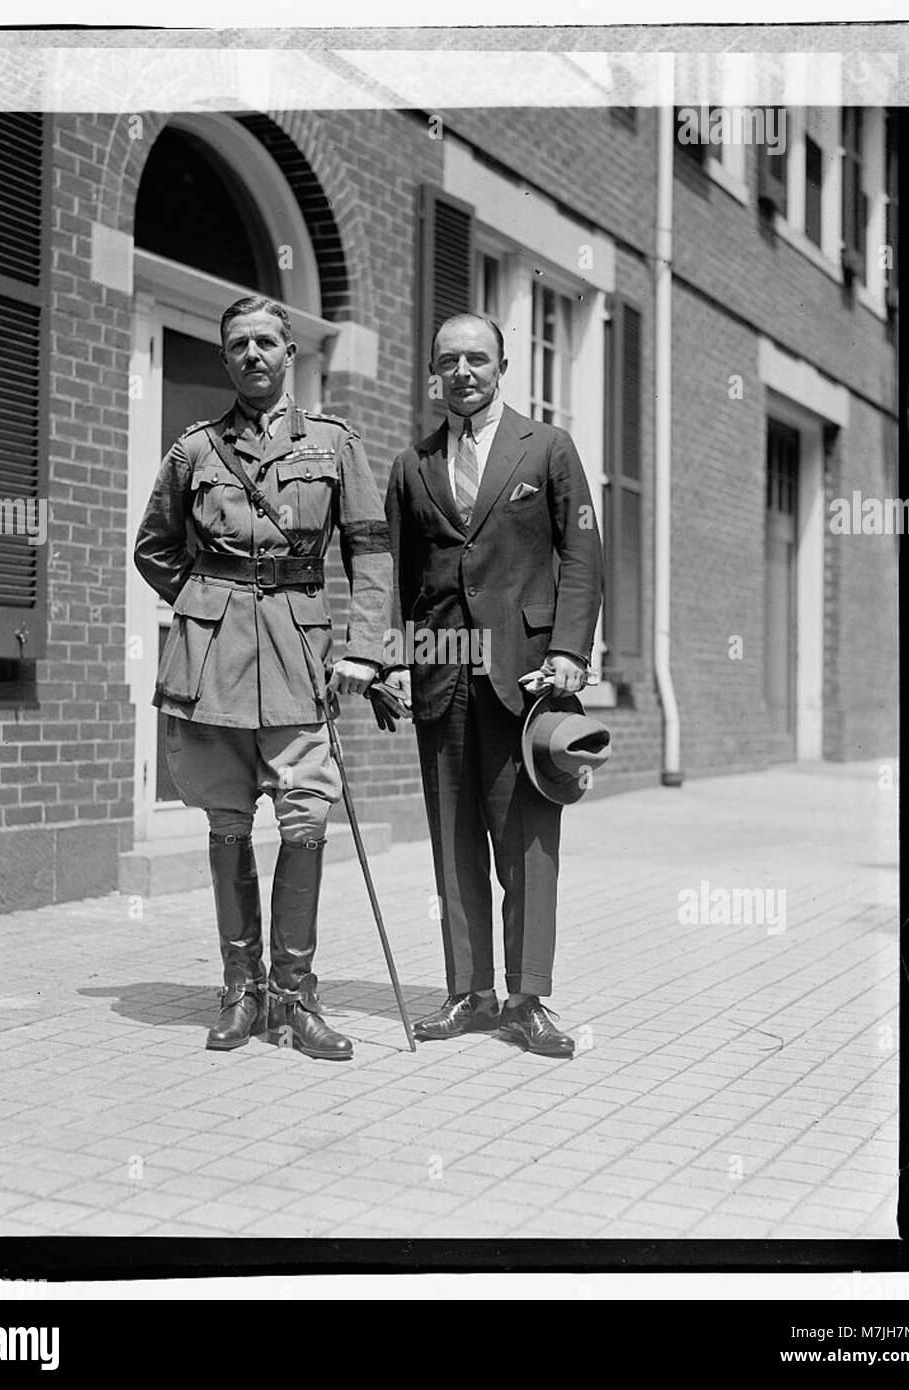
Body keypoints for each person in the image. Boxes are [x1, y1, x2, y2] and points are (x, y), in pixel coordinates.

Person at [134, 295, 391, 1061]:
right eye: (238, 344)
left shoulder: (336, 446)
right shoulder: (193, 451)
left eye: (266, 343)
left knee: (306, 814)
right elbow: (154, 547)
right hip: (210, 658)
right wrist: (204, 601)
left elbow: (370, 552)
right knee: (225, 819)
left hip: (298, 649)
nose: (252, 355)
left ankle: (295, 996)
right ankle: (240, 989)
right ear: (225, 359)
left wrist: (364, 648)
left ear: (289, 353)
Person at [382, 312, 603, 1058]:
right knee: (452, 848)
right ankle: (469, 993)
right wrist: (391, 659)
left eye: (477, 358)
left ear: (502, 365)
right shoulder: (412, 464)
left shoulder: (546, 449)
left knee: (527, 847)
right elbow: (400, 579)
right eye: (448, 361)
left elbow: (581, 554)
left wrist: (571, 649)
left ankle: (527, 999)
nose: (463, 372)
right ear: (435, 373)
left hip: (527, 679)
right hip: (441, 678)